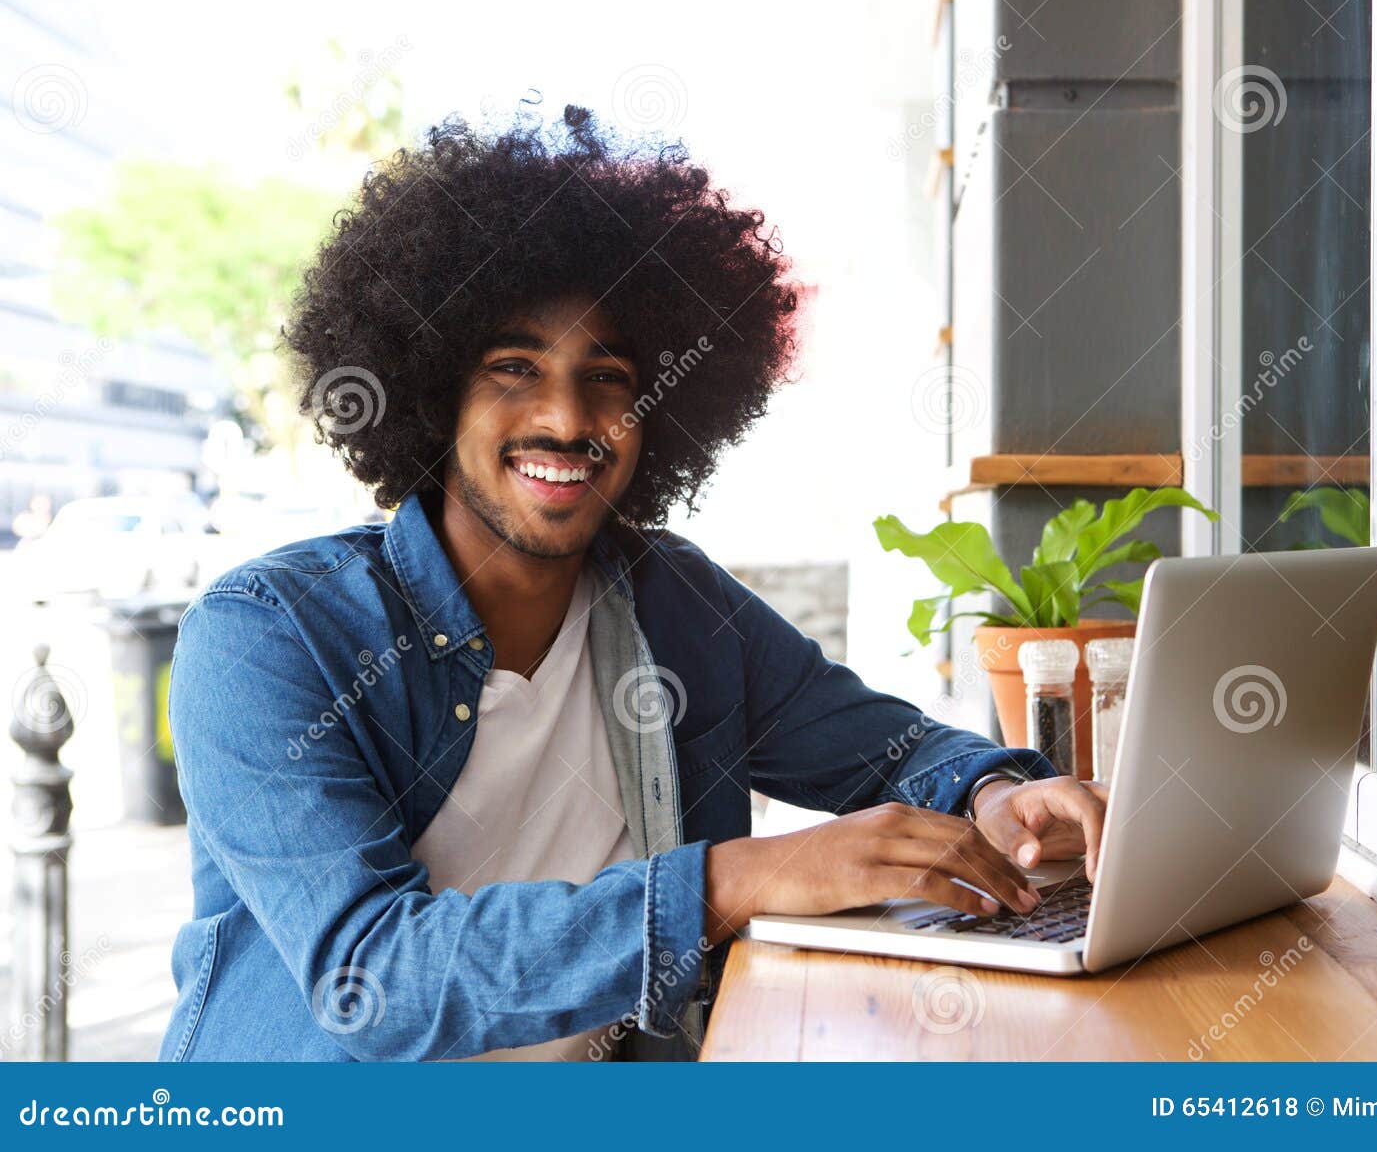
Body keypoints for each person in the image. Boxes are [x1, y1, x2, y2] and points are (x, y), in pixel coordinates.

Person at [162, 107, 1107, 1062]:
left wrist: (991, 791)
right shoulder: (270, 637)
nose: (569, 417)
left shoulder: (677, 605)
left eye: (608, 376)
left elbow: (888, 747)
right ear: (433, 389)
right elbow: (374, 979)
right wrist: (731, 880)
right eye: (514, 367)